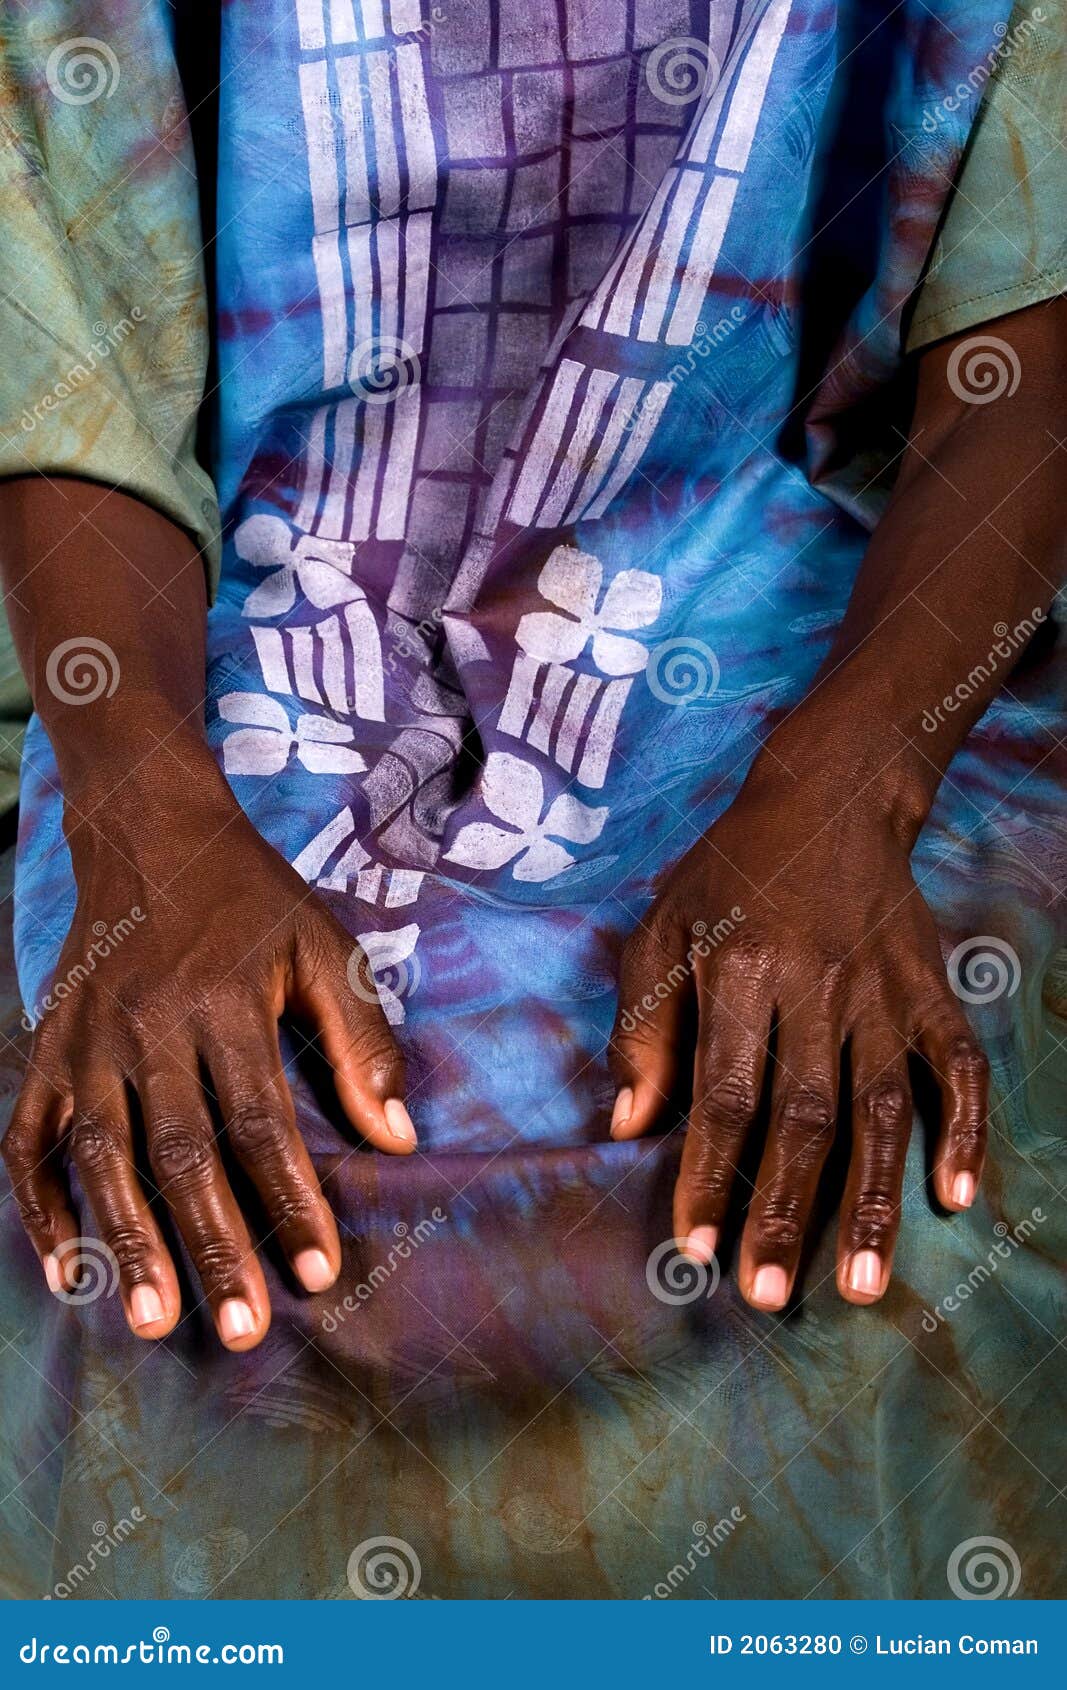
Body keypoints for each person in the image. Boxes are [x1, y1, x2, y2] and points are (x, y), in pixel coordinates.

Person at [0, 0, 1063, 1601]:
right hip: (214, 616)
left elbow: (1029, 351)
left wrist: (847, 794)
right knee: (142, 1187)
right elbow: (61, 349)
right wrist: (144, 825)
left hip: (825, 617)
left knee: (878, 1168)